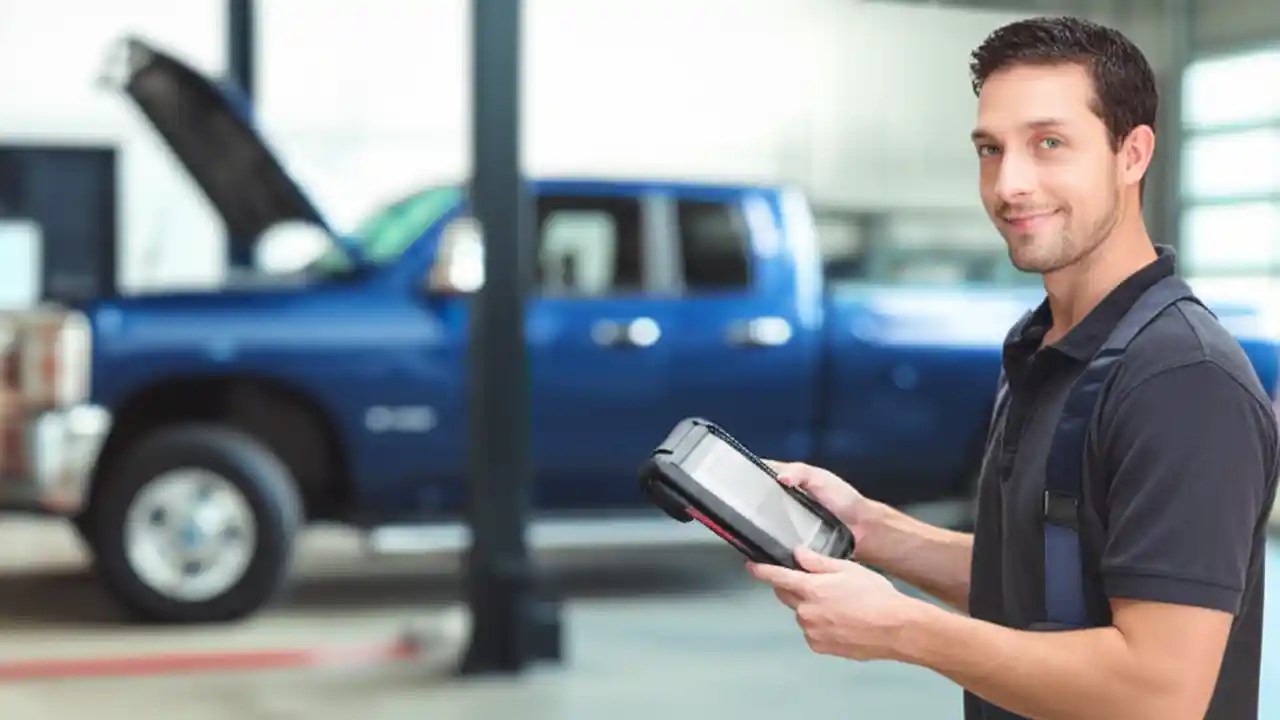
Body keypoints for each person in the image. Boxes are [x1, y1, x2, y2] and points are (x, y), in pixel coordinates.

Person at [749, 15, 1279, 720]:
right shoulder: (1047, 350)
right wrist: (870, 529)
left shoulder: (1181, 381)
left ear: (1132, 154)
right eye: (990, 150)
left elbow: (1159, 691)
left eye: (1049, 144)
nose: (1010, 184)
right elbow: (1033, 588)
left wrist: (903, 629)